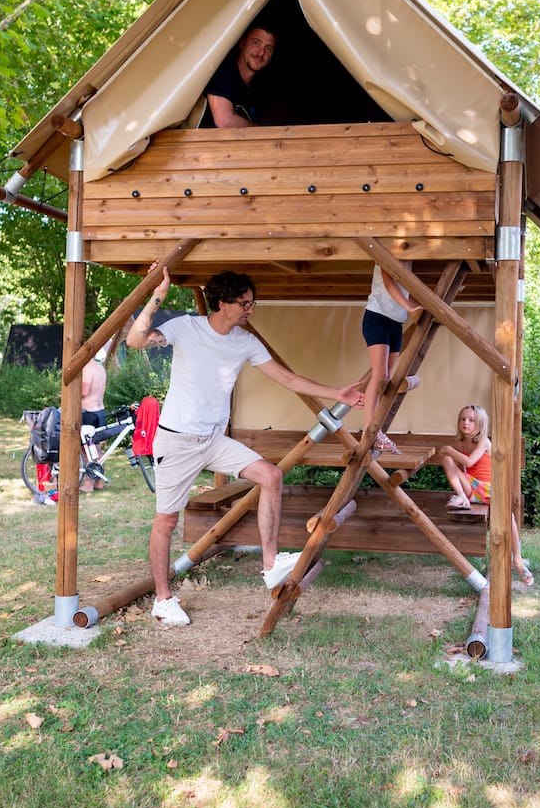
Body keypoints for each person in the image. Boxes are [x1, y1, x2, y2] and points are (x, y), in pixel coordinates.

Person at [126, 266, 365, 626]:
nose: (251, 310)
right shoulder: (185, 328)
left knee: (270, 476)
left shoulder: (246, 342)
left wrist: (337, 393)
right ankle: (163, 599)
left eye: (253, 303)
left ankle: (270, 566)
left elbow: (286, 378)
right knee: (166, 520)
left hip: (213, 440)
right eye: (245, 303)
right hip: (176, 440)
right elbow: (136, 340)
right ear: (223, 303)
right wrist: (158, 293)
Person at [438, 403, 534, 585]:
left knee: (509, 517)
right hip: (471, 489)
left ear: (480, 424)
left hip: (490, 489)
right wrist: (449, 455)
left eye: (471, 420)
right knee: (447, 459)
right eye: (463, 419)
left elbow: (469, 460)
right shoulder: (460, 443)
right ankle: (461, 498)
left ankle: (518, 560)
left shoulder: (484, 442)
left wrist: (448, 450)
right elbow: (462, 468)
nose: (466, 423)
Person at [361, 262, 422, 454]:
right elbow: (390, 285)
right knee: (379, 374)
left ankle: (376, 428)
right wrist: (410, 308)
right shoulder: (384, 256)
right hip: (377, 317)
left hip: (396, 323)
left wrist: (417, 304)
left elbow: (408, 290)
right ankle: (369, 429)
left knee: (387, 378)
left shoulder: (409, 262)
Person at [199, 25, 276, 128]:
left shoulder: (257, 88)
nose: (261, 53)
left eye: (268, 49)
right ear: (242, 43)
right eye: (256, 43)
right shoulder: (224, 71)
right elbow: (224, 121)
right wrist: (260, 131)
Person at [79, 352, 108, 493]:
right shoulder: (99, 367)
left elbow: (84, 391)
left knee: (86, 450)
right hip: (100, 411)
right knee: (96, 448)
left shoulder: (86, 368)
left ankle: (88, 484)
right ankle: (99, 481)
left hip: (88, 412)